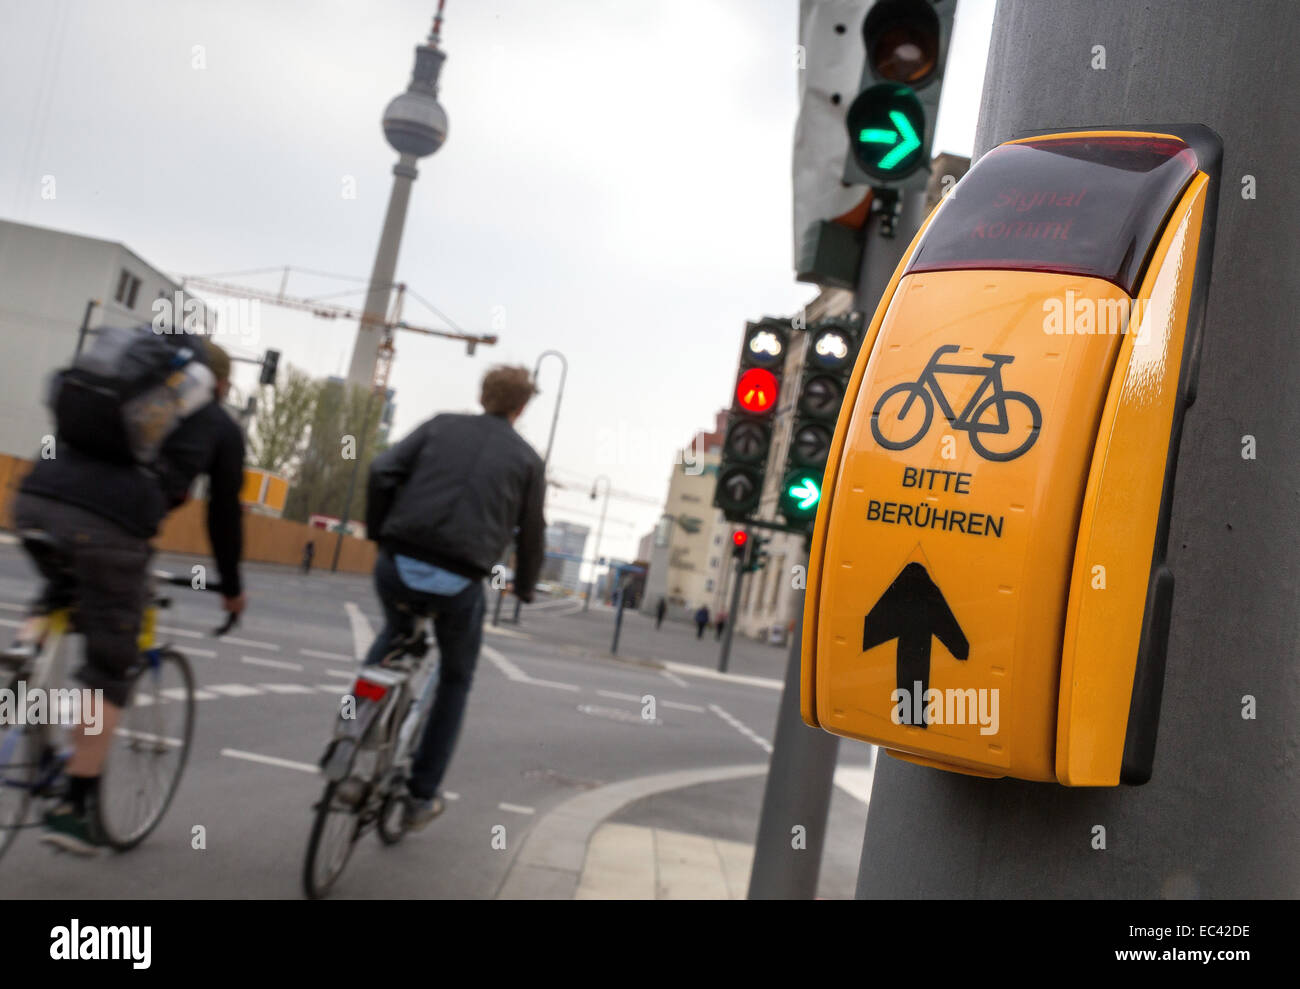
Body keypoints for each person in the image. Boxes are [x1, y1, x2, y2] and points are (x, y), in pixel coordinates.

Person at [14, 337, 246, 854]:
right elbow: (224, 514)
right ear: (221, 384)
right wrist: (231, 589)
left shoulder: (122, 399)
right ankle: (75, 805)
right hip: (112, 528)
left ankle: (25, 649)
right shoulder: (218, 423)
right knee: (108, 665)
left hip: (36, 497)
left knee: (61, 583)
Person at [365, 364, 545, 829]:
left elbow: (381, 469)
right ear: (521, 408)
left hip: (398, 561)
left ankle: (350, 728)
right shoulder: (527, 461)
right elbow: (531, 534)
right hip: (459, 579)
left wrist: (379, 532)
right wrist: (524, 586)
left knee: (394, 630)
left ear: (482, 394)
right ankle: (421, 795)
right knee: (454, 678)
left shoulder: (439, 425)